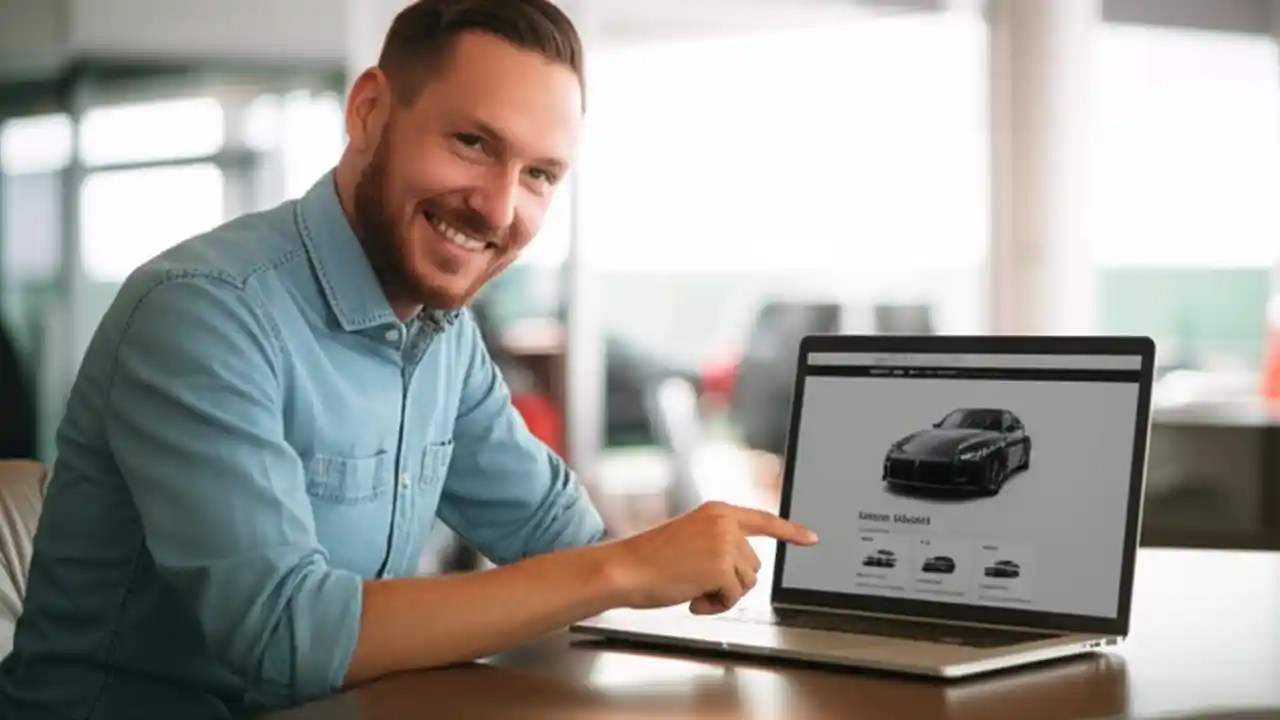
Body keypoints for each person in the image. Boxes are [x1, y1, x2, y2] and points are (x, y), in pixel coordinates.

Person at [0, 1, 818, 717]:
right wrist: (623, 568)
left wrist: (740, 596)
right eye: (471, 142)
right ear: (367, 112)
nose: (500, 207)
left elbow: (556, 536)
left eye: (538, 174)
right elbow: (285, 637)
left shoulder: (441, 334)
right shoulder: (204, 312)